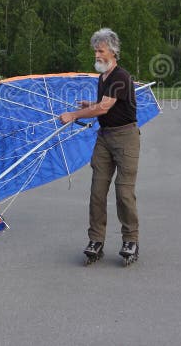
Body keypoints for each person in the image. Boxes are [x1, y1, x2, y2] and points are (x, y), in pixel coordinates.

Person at [59, 28, 141, 265]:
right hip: (104, 137)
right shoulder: (102, 78)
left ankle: (131, 240)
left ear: (113, 52)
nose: (97, 54)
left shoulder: (120, 77)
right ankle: (96, 239)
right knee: (97, 191)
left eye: (101, 50)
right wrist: (91, 104)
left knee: (124, 192)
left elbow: (104, 109)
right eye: (95, 50)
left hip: (126, 138)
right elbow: (104, 106)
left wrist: (75, 114)